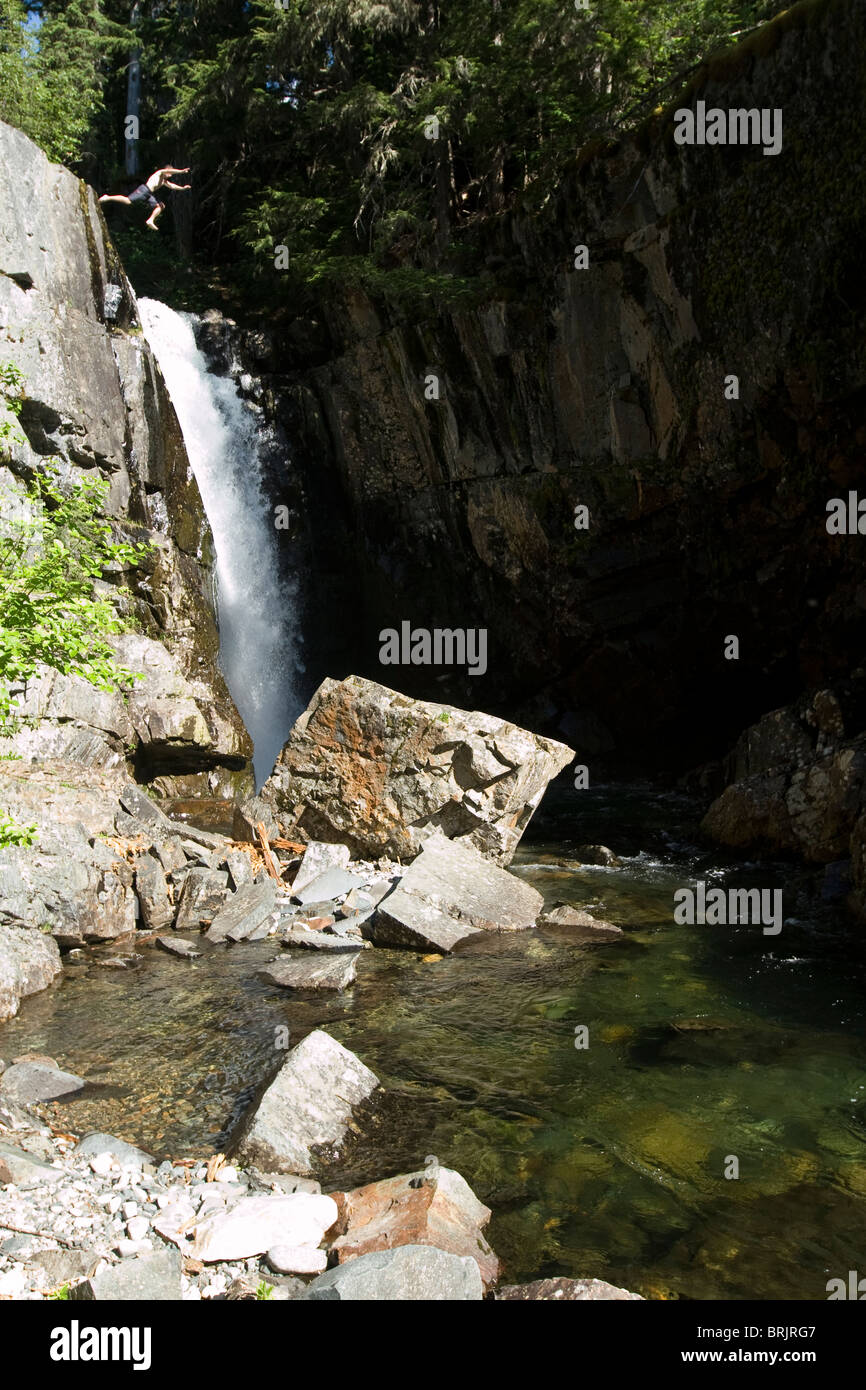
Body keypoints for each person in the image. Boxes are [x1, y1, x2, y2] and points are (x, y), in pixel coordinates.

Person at [99, 167, 191, 231]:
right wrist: (181, 171)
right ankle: (108, 197)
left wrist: (183, 188)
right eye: (170, 174)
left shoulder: (164, 181)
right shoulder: (159, 173)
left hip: (149, 194)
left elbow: (172, 186)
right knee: (127, 201)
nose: (170, 176)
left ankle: (150, 220)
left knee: (161, 206)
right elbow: (167, 170)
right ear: (167, 171)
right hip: (144, 189)